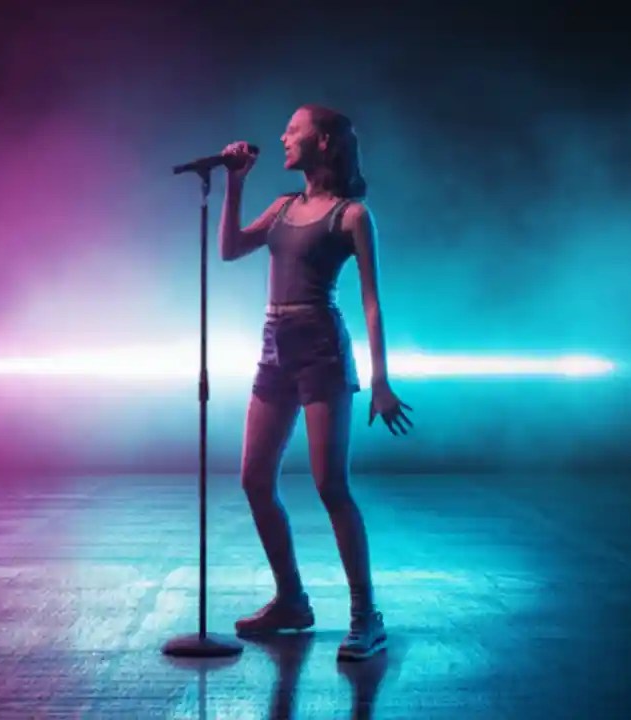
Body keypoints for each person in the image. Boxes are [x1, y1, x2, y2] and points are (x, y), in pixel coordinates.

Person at [217, 104, 413, 661]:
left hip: (322, 352)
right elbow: (229, 250)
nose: (283, 136)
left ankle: (364, 615)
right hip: (275, 349)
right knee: (255, 480)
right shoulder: (281, 207)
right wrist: (234, 184)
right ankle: (292, 601)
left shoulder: (351, 216)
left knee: (331, 486)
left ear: (323, 141)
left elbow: (372, 304)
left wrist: (380, 382)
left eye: (293, 129)